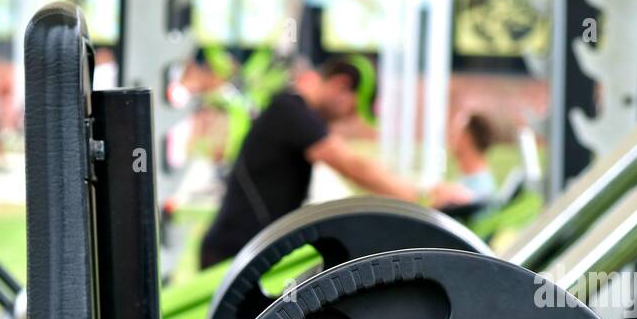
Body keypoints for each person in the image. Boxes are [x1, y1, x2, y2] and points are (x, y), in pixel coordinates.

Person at [199, 59, 472, 269]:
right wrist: (421, 199)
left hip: (246, 251)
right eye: (350, 110)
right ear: (341, 85)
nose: (344, 120)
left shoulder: (292, 111)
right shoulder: (291, 111)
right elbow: (351, 164)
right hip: (229, 253)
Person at [449, 112, 498, 204]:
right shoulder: (466, 182)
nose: (450, 140)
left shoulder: (480, 192)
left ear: (467, 138)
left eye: (454, 134)